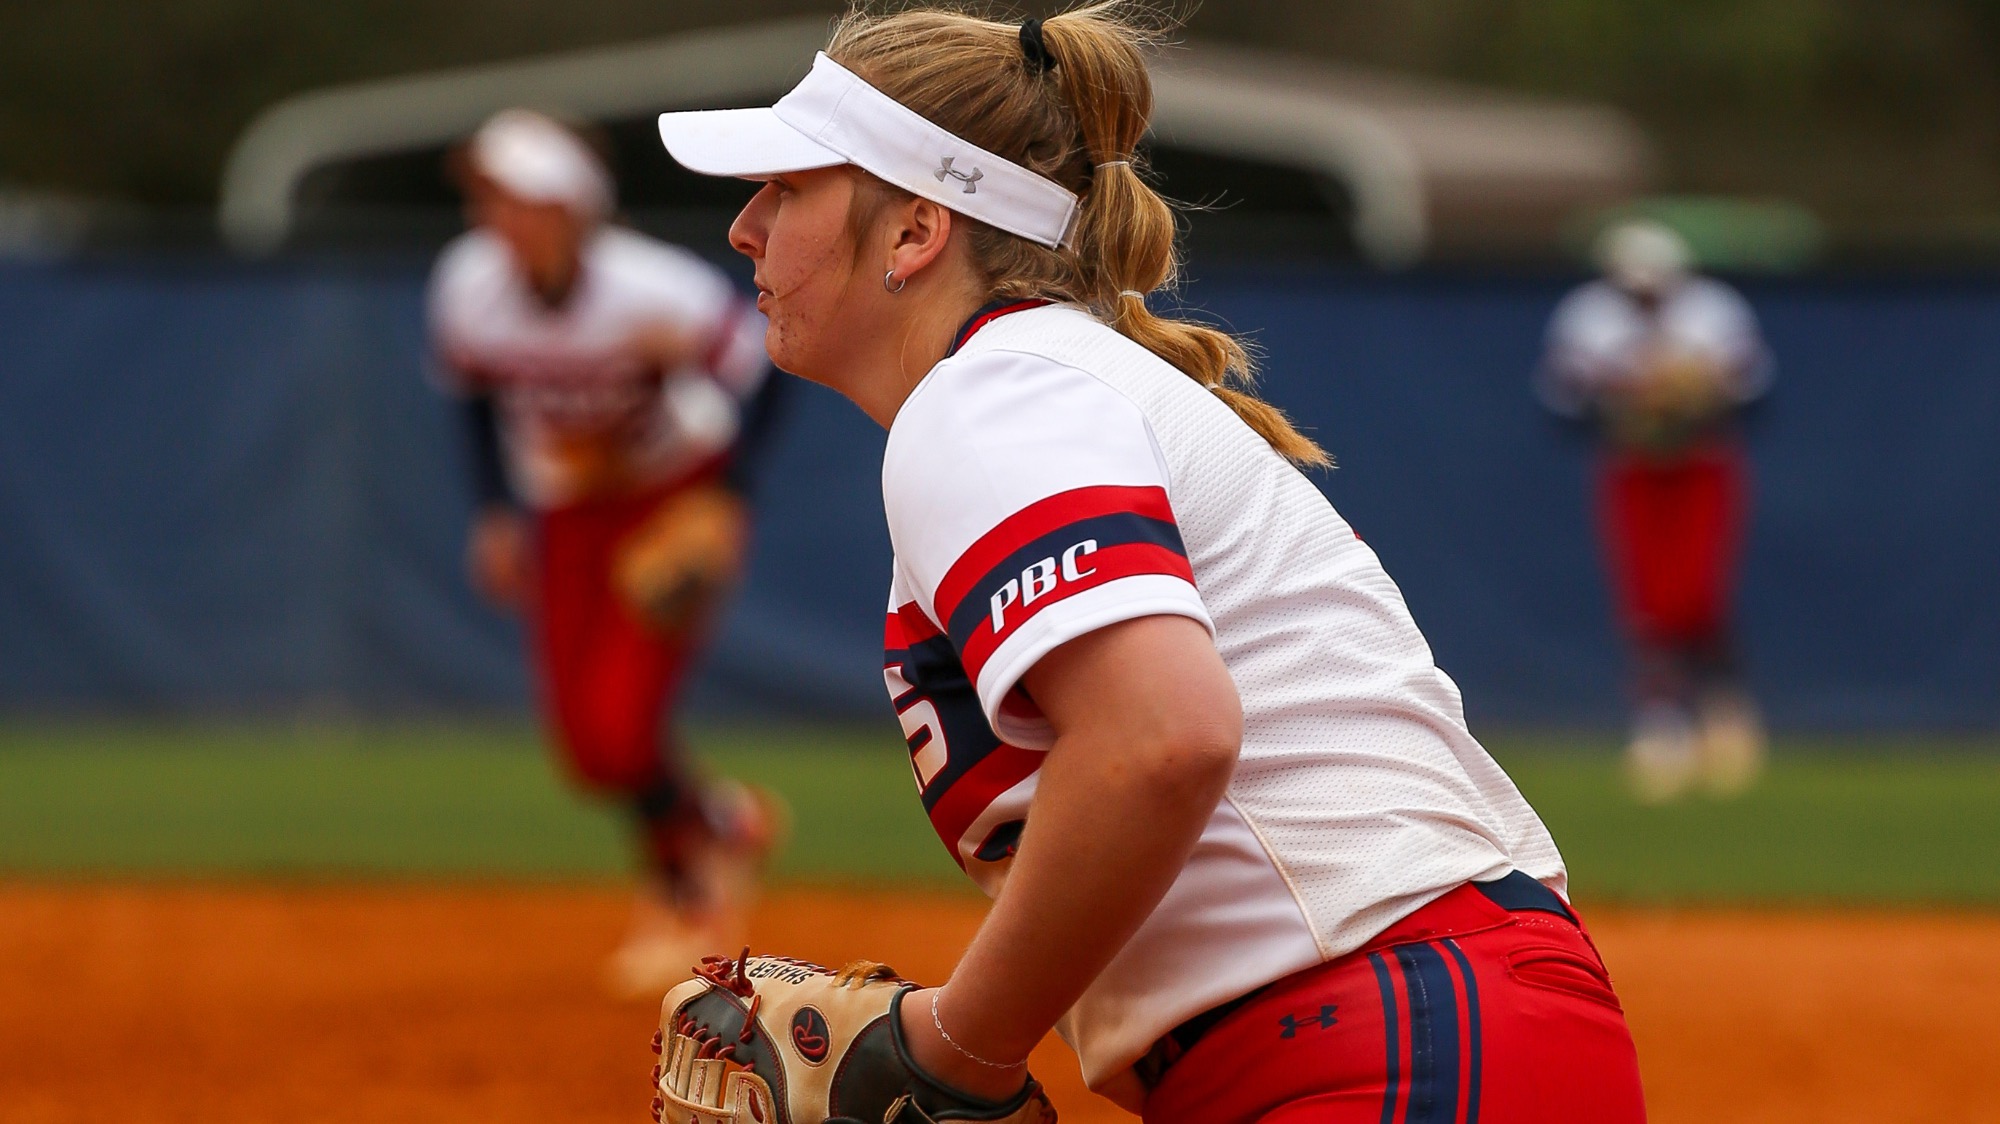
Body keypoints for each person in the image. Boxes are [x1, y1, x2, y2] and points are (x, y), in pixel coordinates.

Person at [651, 4, 1646, 1121]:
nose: (745, 227)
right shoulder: (1036, 385)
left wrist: (949, 1045)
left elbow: (1160, 737)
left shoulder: (994, 395)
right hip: (1390, 1026)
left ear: (914, 231)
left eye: (787, 187)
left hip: (1386, 1033)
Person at [427, 108, 785, 999]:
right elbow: (472, 395)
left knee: (625, 728)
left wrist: (727, 498)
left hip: (667, 498)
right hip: (566, 513)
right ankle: (722, 823)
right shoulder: (468, 284)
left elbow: (761, 363)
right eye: (493, 198)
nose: (500, 217)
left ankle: (689, 897)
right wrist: (493, 514)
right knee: (587, 751)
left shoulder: (648, 289)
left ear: (572, 209)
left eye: (521, 199)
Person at [1539, 220, 1773, 803]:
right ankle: (1661, 725)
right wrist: (1628, 400)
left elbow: (1756, 391)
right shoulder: (1589, 315)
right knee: (1646, 597)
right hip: (1633, 465)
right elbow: (1562, 402)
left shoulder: (1713, 312)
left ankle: (1724, 716)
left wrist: (1694, 394)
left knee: (1697, 591)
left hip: (1702, 462)